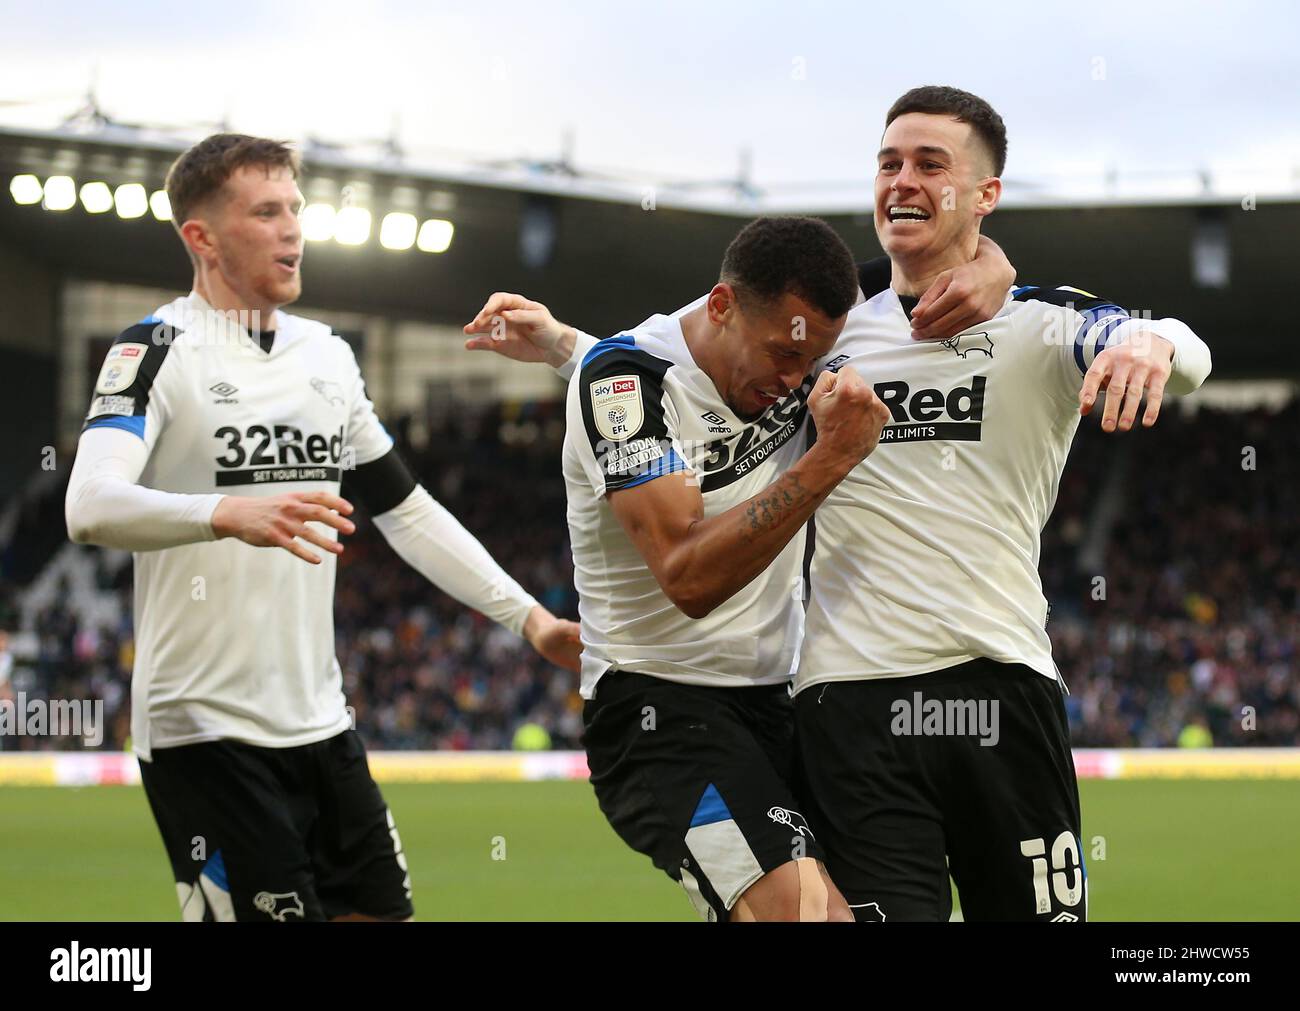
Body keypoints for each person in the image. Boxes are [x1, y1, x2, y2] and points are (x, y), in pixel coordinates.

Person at [467, 86, 1212, 923]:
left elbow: (1172, 347)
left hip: (1001, 689)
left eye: (932, 164)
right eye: (889, 161)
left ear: (985, 195)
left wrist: (1156, 340)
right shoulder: (829, 329)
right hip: (849, 703)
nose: (903, 179)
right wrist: (581, 352)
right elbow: (697, 360)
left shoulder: (1036, 322)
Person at [64, 133, 581, 922]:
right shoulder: (152, 351)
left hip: (321, 724)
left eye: (296, 209)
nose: (292, 229)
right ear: (200, 237)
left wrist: (531, 618)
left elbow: (406, 511)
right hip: (204, 734)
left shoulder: (327, 357)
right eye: (265, 212)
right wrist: (224, 513)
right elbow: (89, 505)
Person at [465, 217, 1015, 920]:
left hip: (789, 701)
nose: (794, 380)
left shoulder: (797, 327)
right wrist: (832, 456)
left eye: (812, 358)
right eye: (781, 357)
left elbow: (944, 267)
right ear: (722, 305)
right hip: (660, 720)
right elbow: (689, 576)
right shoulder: (625, 381)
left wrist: (993, 264)